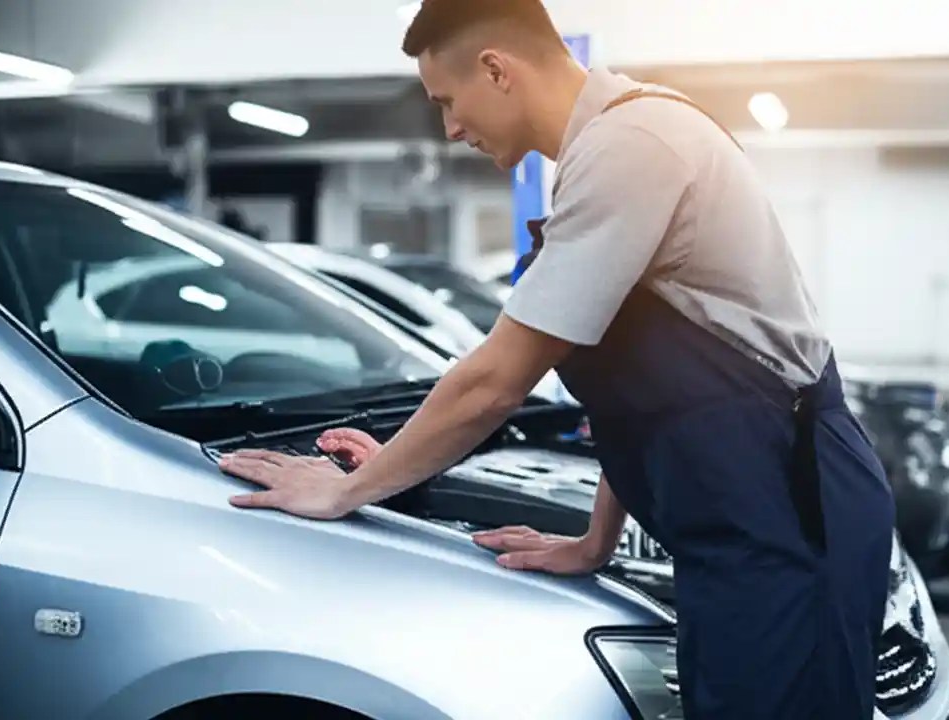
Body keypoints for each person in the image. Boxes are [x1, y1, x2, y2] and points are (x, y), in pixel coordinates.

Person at [217, 1, 896, 717]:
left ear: (496, 70)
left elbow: (496, 378)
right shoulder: (612, 146)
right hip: (745, 526)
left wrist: (350, 491)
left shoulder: (634, 145)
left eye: (447, 102)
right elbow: (657, 396)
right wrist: (594, 541)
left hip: (791, 516)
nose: (450, 130)